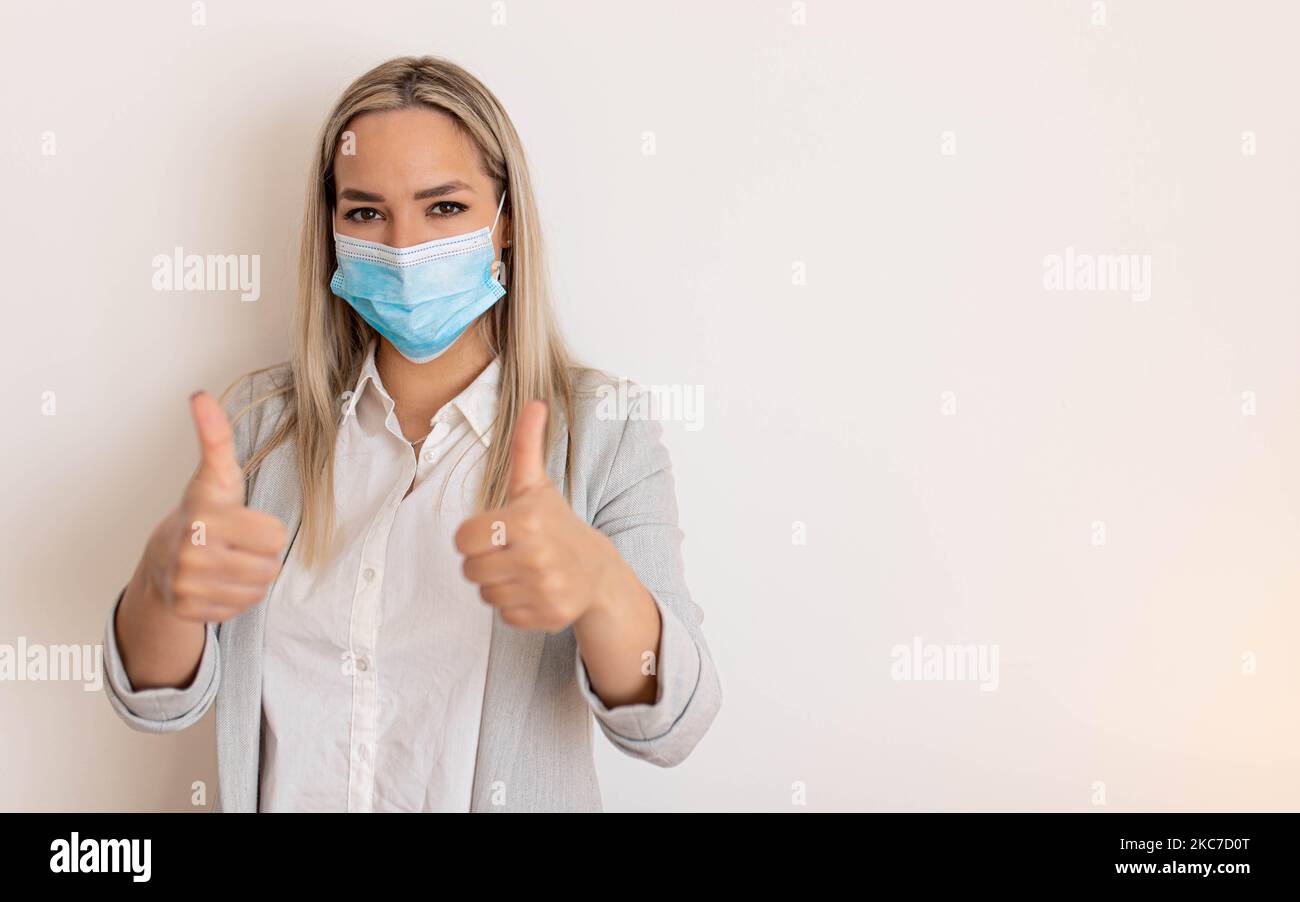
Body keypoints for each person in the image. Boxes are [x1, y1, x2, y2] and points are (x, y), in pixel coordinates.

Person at [101, 55, 722, 812]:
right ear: (331, 231)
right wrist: (164, 582)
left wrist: (600, 586)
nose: (402, 247)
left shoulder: (602, 432)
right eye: (365, 212)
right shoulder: (260, 428)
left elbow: (673, 725)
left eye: (444, 208)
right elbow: (156, 703)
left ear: (506, 226)